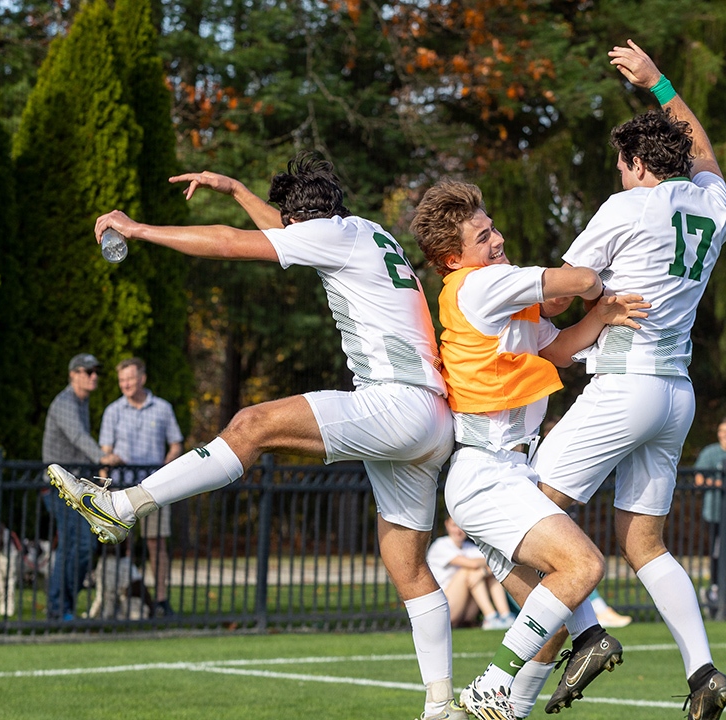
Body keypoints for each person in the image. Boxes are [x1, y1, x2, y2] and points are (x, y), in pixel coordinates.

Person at [51, 152, 464, 720]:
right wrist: (237, 190)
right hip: (432, 421)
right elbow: (284, 231)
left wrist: (138, 229)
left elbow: (229, 243)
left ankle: (123, 506)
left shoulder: (330, 236)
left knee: (252, 425)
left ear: (299, 220)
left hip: (396, 404)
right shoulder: (362, 230)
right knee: (408, 568)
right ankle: (442, 705)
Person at [528, 41, 726, 720]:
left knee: (525, 509)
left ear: (639, 165)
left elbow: (561, 293)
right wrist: (659, 84)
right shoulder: (713, 205)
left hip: (626, 383)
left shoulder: (628, 209)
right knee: (644, 543)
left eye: (622, 166)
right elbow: (706, 156)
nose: (619, 176)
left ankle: (589, 634)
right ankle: (702, 671)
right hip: (675, 392)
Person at [413, 178, 646, 720]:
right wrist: (594, 278)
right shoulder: (479, 284)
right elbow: (582, 278)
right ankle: (492, 684)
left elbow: (558, 350)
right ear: (453, 259)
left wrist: (597, 316)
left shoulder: (497, 290)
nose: (497, 239)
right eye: (482, 237)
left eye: (492, 228)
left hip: (504, 472)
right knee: (583, 566)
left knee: (549, 628)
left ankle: (502, 708)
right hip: (487, 475)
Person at [99, 357, 184, 617]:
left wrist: (167, 467)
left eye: (130, 379)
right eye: (121, 380)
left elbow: (176, 445)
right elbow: (105, 453)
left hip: (153, 488)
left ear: (142, 379)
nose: (125, 384)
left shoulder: (163, 408)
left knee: (156, 544)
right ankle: (115, 601)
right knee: (118, 545)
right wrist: (104, 487)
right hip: (120, 489)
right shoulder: (113, 411)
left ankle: (161, 601)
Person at [41, 353, 123, 620]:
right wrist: (102, 457)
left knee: (82, 547)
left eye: (96, 371)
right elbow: (77, 437)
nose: (94, 376)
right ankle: (58, 609)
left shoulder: (81, 402)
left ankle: (63, 606)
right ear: (73, 374)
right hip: (57, 487)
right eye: (88, 372)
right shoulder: (65, 402)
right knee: (75, 545)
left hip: (74, 485)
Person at [426, 517, 514, 629]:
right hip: (445, 608)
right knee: (468, 571)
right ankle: (491, 617)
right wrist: (483, 569)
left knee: (488, 574)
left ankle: (505, 615)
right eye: (454, 526)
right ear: (447, 525)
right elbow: (474, 564)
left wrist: (483, 572)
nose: (458, 531)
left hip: (465, 609)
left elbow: (495, 564)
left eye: (460, 527)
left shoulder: (470, 548)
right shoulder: (440, 545)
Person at [693, 416, 726, 609]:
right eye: (722, 431)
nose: (725, 435)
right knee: (717, 553)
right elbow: (699, 479)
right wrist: (722, 484)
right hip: (715, 513)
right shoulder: (710, 453)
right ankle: (715, 588)